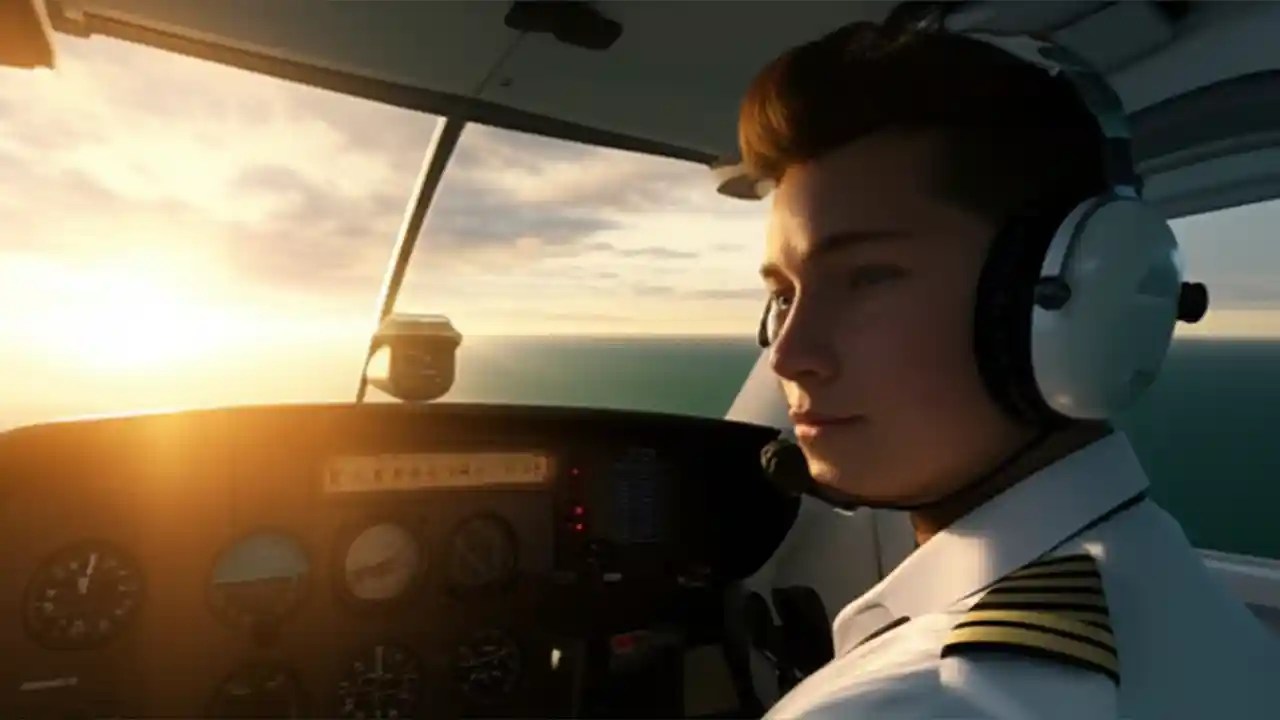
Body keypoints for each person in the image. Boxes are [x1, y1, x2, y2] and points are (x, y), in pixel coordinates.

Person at [742, 16, 1280, 720]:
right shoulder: (1168, 584)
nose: (788, 355)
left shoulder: (916, 702)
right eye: (784, 295)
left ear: (1075, 296)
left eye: (867, 277)